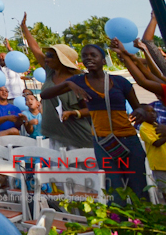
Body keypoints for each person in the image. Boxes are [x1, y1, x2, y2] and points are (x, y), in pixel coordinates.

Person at [42, 44, 146, 203]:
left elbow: (138, 108)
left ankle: (143, 224)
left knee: (138, 187)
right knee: (114, 190)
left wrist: (141, 112)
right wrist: (68, 84)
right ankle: (119, 225)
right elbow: (44, 94)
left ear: (103, 60)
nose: (88, 58)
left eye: (93, 55)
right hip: (103, 142)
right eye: (85, 56)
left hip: (128, 140)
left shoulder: (120, 82)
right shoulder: (79, 81)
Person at [20, 14, 93, 150]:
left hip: (77, 136)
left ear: (61, 60)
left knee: (84, 170)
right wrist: (24, 28)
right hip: (55, 135)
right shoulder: (51, 72)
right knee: (61, 170)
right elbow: (35, 49)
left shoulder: (79, 80)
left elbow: (92, 108)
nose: (46, 58)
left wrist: (74, 113)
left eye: (50, 55)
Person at [134, 105, 166, 196]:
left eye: (153, 111)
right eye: (148, 112)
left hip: (164, 161)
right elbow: (156, 143)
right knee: (164, 189)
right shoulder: (144, 128)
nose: (152, 114)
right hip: (158, 164)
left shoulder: (157, 125)